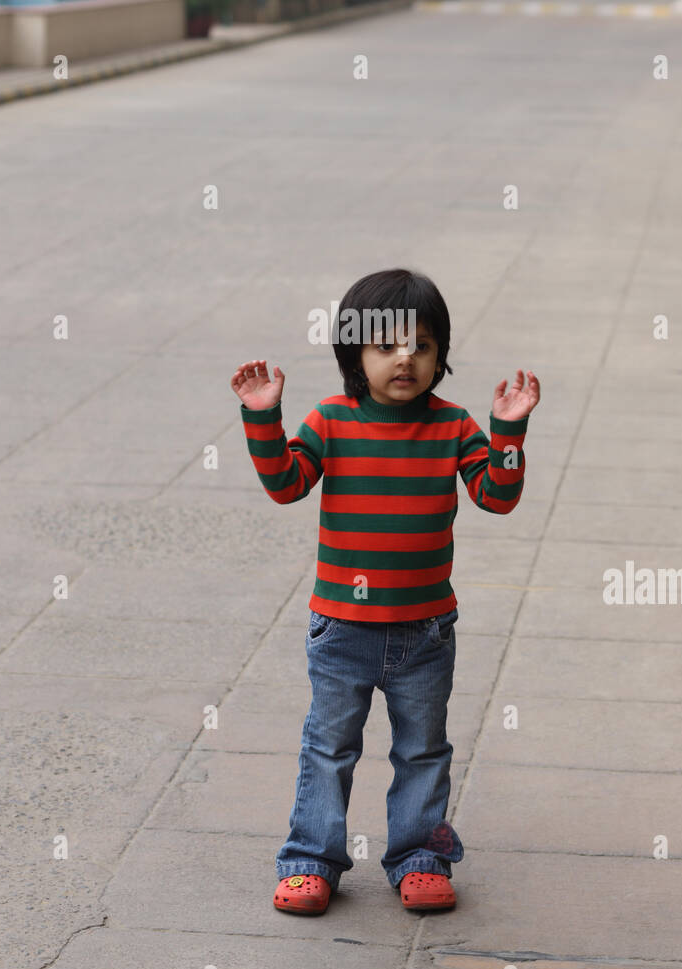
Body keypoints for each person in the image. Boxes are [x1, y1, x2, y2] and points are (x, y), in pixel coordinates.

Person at [230, 268, 540, 915]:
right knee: (328, 747)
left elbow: (497, 495)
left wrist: (508, 433)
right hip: (341, 630)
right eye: (387, 345)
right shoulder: (332, 421)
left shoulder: (454, 427)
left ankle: (420, 858)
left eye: (423, 346)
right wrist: (263, 419)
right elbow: (287, 482)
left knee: (423, 748)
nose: (406, 358)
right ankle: (312, 858)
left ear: (440, 355)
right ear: (353, 352)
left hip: (425, 633)